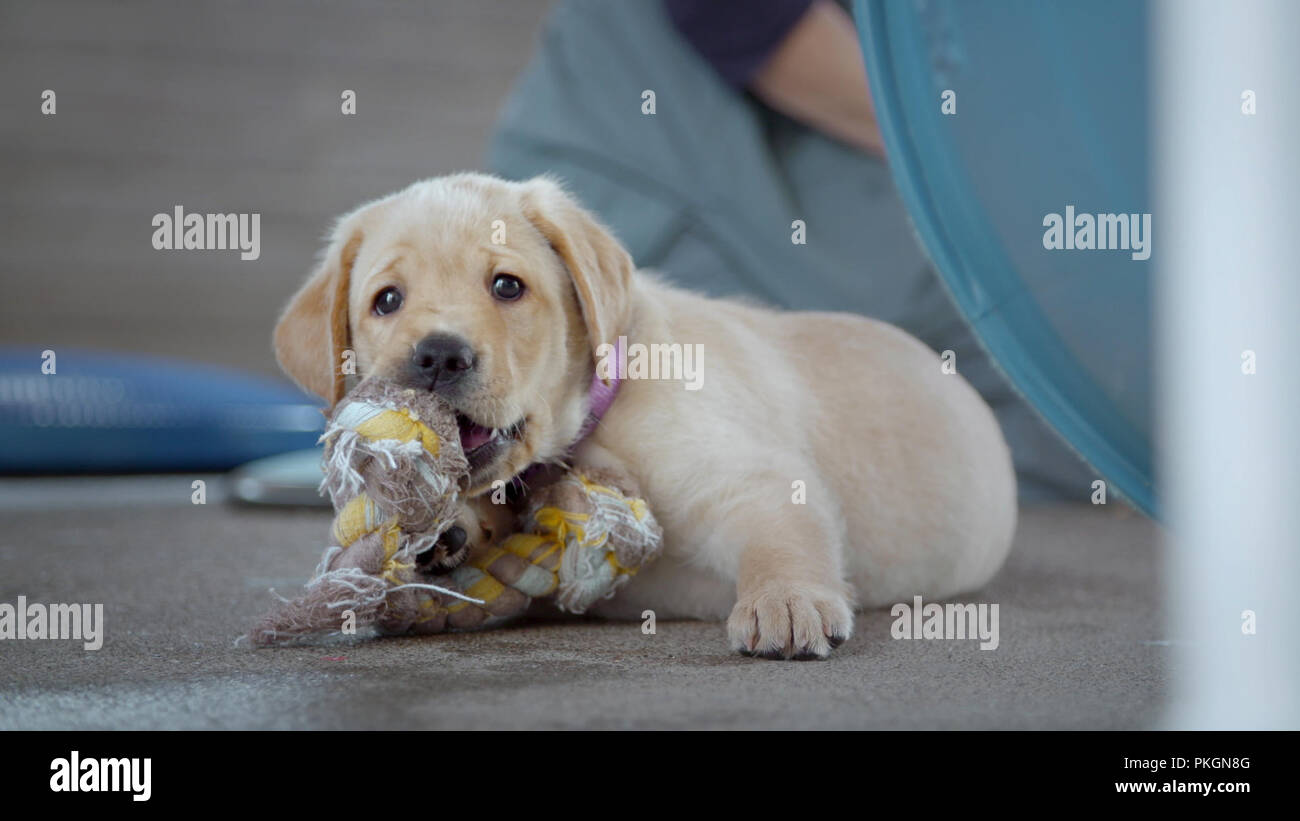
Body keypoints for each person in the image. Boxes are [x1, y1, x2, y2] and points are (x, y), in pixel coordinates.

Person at [489, 0, 1094, 501]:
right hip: (673, 145)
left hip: (887, 109)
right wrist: (1009, 154)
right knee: (1070, 343)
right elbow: (743, 15)